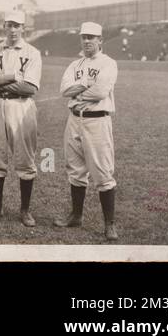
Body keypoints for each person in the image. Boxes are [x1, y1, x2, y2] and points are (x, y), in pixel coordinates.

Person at [55, 22, 120, 241]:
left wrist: (78, 92)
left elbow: (101, 91)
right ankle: (76, 216)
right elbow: (64, 90)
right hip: (74, 120)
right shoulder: (75, 64)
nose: (87, 41)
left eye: (91, 37)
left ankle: (109, 224)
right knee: (75, 169)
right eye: (84, 37)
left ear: (100, 40)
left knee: (103, 173)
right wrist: (85, 84)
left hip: (97, 121)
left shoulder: (108, 63)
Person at [0, 10, 42, 227]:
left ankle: (25, 210)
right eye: (9, 25)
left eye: (17, 25)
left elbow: (30, 87)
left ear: (23, 28)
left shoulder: (32, 52)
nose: (13, 30)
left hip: (22, 106)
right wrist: (12, 77)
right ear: (3, 26)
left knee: (25, 159)